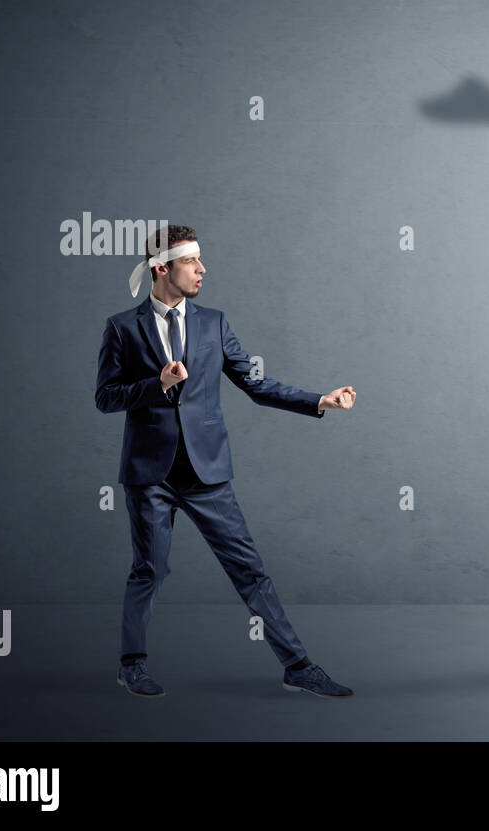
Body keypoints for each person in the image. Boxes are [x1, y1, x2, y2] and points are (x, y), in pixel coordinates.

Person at [95, 224, 356, 698]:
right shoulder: (121, 327)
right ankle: (131, 664)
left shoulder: (214, 322)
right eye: (191, 262)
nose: (202, 270)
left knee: (249, 569)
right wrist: (157, 384)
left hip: (206, 473)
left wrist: (319, 400)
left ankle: (297, 665)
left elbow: (256, 384)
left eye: (200, 261)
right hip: (149, 474)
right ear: (162, 268)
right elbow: (106, 398)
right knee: (149, 569)